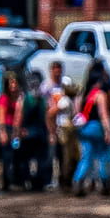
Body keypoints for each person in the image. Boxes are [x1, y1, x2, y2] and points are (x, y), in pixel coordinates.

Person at [73, 79, 110, 196]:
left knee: (86, 156)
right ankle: (104, 183)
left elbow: (76, 112)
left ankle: (78, 182)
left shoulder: (81, 95)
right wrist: (108, 131)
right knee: (103, 155)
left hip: (84, 128)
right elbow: (103, 114)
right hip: (97, 128)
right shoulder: (99, 95)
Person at [17, 72, 53, 191]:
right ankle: (38, 183)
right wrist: (50, 133)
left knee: (27, 160)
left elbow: (20, 117)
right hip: (38, 134)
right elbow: (47, 118)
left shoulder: (25, 99)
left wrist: (18, 132)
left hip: (30, 134)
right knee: (40, 160)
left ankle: (28, 182)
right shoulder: (42, 100)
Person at [41, 61, 71, 190]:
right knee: (50, 154)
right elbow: (45, 108)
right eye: (54, 69)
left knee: (64, 154)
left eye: (59, 69)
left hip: (64, 124)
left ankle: (64, 179)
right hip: (51, 124)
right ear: (51, 71)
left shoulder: (65, 84)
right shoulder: (46, 86)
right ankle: (47, 180)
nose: (57, 72)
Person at [0, 70, 25, 192]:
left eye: (15, 82)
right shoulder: (3, 98)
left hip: (17, 129)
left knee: (18, 156)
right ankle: (7, 182)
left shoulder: (20, 97)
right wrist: (2, 132)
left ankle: (18, 181)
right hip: (7, 128)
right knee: (7, 157)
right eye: (11, 83)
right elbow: (0, 115)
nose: (13, 85)